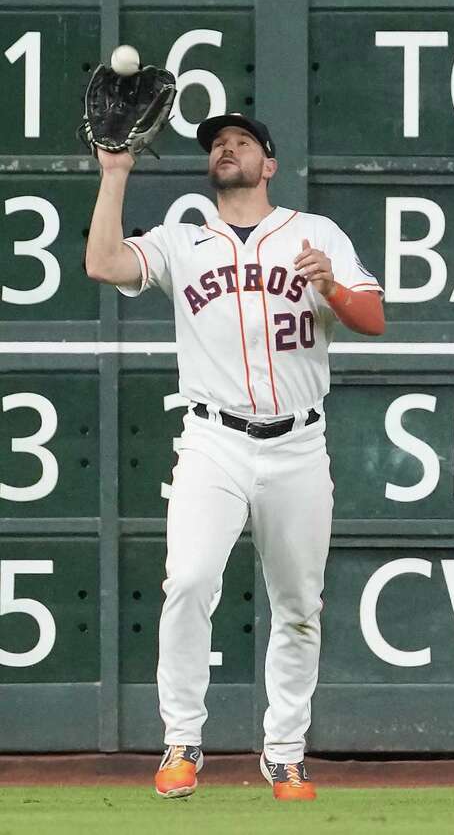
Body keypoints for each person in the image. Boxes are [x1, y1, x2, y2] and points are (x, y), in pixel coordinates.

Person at [83, 112, 385, 801]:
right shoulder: (183, 242)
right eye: (218, 143)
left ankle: (284, 754)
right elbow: (102, 263)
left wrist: (331, 285)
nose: (227, 148)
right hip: (212, 441)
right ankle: (183, 740)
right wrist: (115, 173)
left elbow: (372, 317)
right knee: (187, 581)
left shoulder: (315, 234)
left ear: (268, 165)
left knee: (299, 605)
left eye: (242, 142)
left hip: (300, 443)